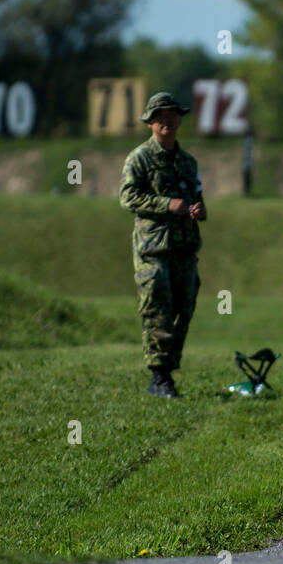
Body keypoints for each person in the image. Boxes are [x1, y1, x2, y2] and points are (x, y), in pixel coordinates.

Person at [119, 91, 206, 398]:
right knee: (157, 310)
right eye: (160, 117)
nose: (166, 121)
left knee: (184, 307)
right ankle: (160, 376)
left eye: (172, 115)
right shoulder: (139, 158)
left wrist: (198, 209)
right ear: (149, 123)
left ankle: (169, 368)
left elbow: (197, 196)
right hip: (153, 250)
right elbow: (127, 197)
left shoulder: (188, 162)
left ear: (179, 120)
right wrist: (167, 205)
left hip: (184, 248)